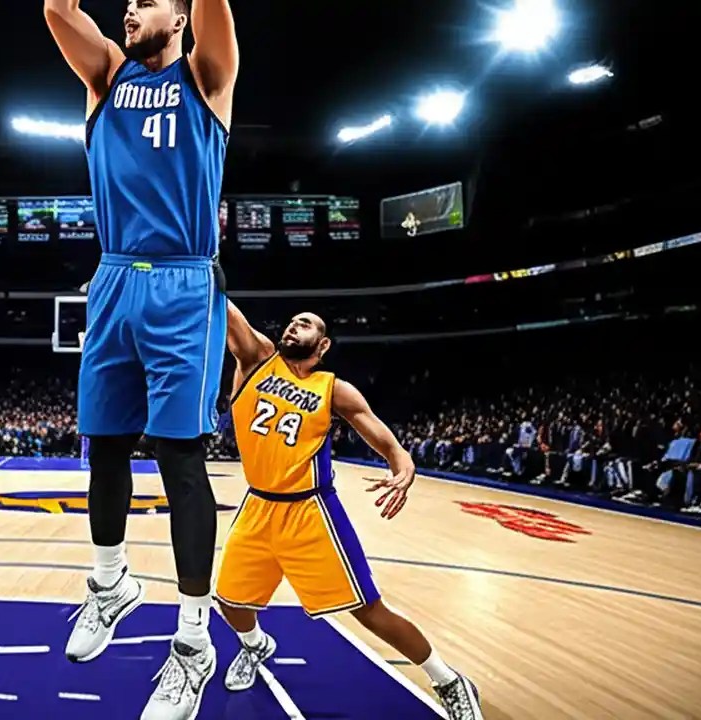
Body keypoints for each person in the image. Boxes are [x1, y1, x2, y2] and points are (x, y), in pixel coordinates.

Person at [44, 0, 239, 716]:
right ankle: (111, 584)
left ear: (181, 17)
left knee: (180, 456)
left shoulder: (208, 77)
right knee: (105, 447)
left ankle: (193, 644)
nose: (129, 8)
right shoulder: (105, 76)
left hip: (185, 281)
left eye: (147, 0)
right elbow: (58, 9)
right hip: (114, 276)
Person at [215, 302, 485, 720]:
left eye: (303, 324)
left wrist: (403, 463)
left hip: (310, 510)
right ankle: (256, 646)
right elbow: (226, 310)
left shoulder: (333, 388)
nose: (293, 326)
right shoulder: (256, 359)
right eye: (290, 322)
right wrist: (202, 260)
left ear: (322, 344)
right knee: (230, 601)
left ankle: (448, 679)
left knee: (367, 609)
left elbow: (376, 429)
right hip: (258, 506)